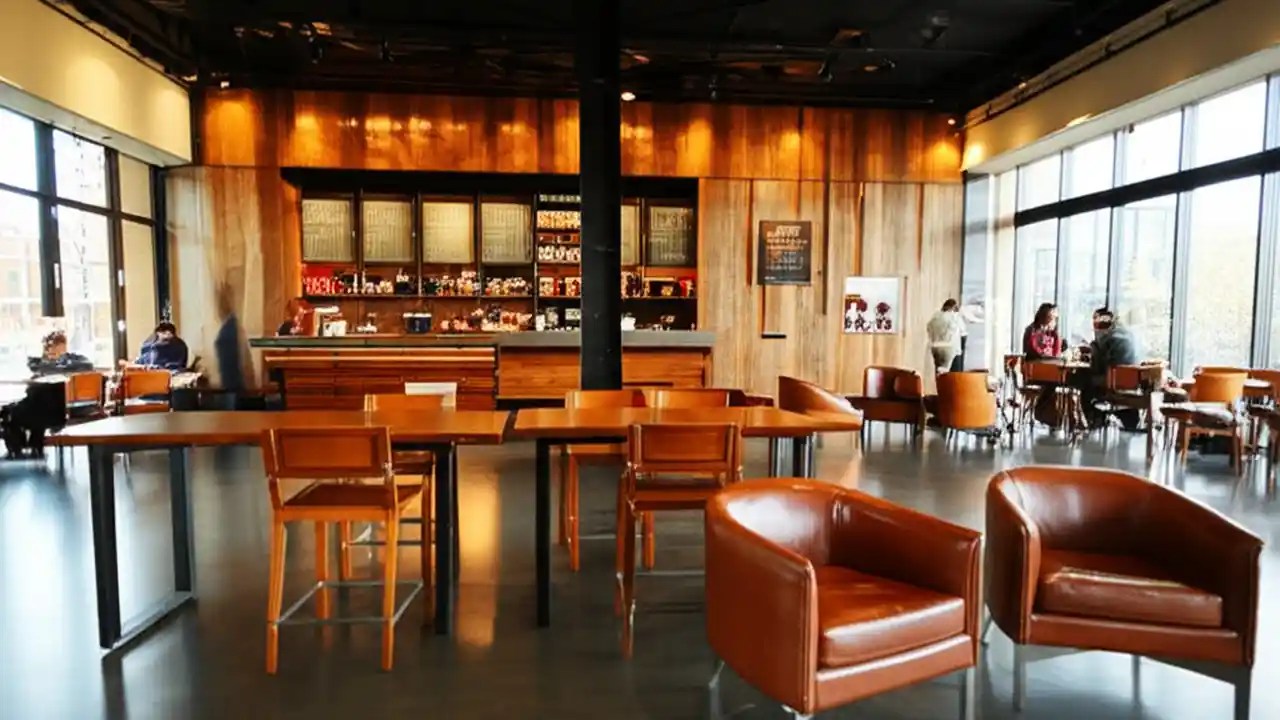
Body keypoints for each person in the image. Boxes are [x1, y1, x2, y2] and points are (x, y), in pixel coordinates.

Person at [3, 331, 93, 457]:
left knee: (12, 414)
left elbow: (87, 365)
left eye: (57, 346)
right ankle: (27, 446)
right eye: (50, 347)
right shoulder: (42, 365)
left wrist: (58, 363)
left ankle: (23, 448)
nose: (53, 350)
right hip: (44, 408)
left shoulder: (72, 362)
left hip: (55, 411)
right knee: (12, 412)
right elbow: (33, 366)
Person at [1076, 307, 1140, 429]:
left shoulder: (1106, 338)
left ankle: (1095, 418)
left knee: (1083, 380)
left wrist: (1092, 348)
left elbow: (1098, 366)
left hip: (1112, 381)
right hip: (1132, 381)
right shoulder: (1129, 334)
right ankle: (1121, 415)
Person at [926, 299, 964, 374]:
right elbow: (963, 331)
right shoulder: (954, 317)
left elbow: (928, 328)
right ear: (953, 308)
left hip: (936, 347)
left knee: (939, 372)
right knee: (952, 376)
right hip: (950, 348)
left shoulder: (935, 317)